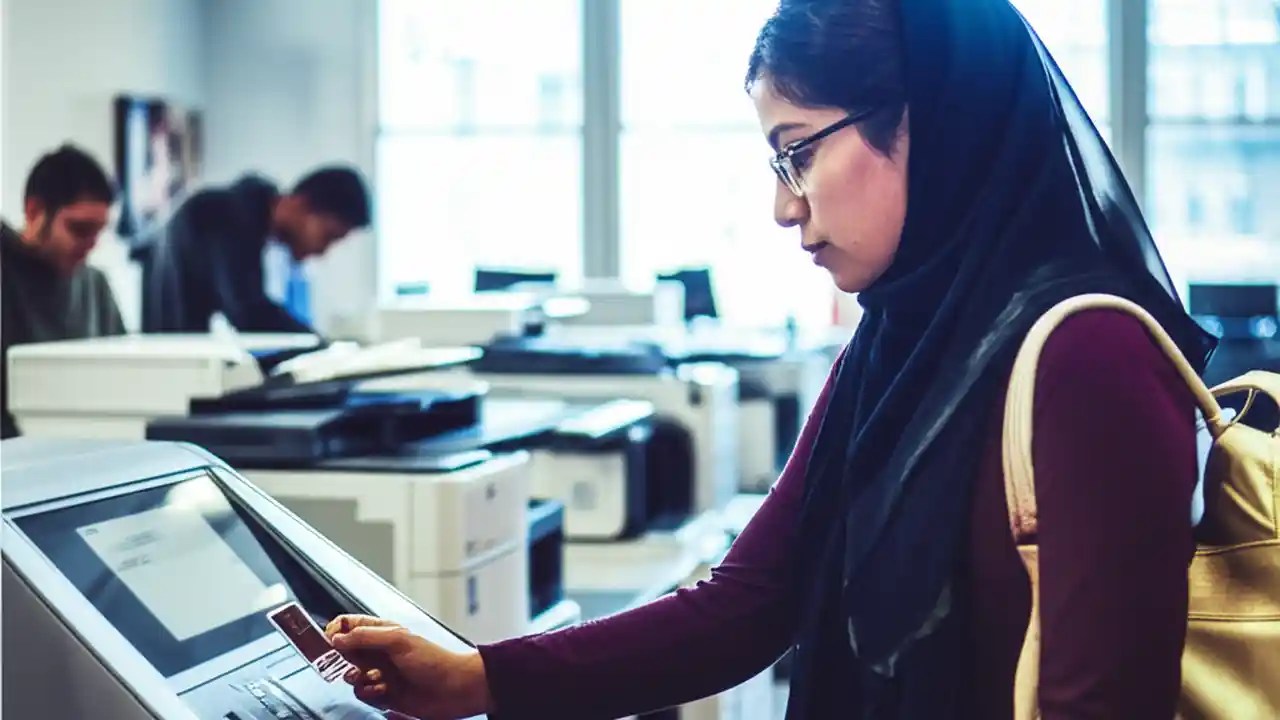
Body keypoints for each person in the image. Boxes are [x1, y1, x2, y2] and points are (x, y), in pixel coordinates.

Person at [321, 0, 1217, 718]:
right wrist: (476, 676)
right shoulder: (899, 340)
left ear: (934, 119)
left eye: (797, 154)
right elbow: (749, 604)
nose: (783, 210)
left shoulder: (1092, 351)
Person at [138, 165, 371, 334]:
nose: (322, 252)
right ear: (299, 204)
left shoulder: (242, 218)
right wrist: (320, 347)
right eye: (328, 236)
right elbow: (248, 313)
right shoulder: (226, 214)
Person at [1, 145, 126, 439]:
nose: (91, 245)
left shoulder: (95, 286)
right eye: (80, 229)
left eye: (98, 232)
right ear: (34, 212)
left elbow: (122, 382)